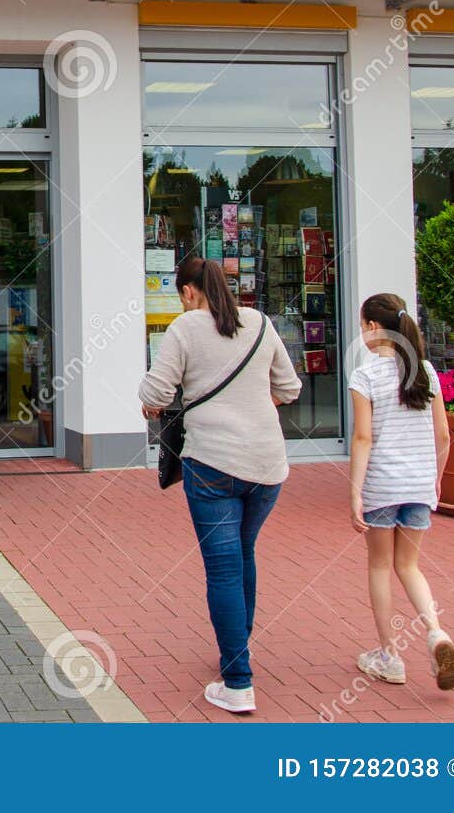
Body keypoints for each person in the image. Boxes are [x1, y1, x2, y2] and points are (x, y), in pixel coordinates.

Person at [139, 255, 300, 715]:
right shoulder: (261, 323)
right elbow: (289, 389)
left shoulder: (184, 329)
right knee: (243, 555)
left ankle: (238, 680)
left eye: (180, 294)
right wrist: (252, 405)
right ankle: (238, 650)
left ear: (189, 291)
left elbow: (155, 394)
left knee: (224, 569)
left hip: (212, 465)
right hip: (267, 465)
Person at [347, 292, 454, 691]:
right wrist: (436, 478)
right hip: (418, 486)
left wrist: (356, 492)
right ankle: (436, 632)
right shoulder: (426, 371)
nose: (361, 334)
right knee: (409, 566)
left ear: (374, 328)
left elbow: (363, 437)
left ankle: (388, 656)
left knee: (380, 567)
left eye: (363, 326)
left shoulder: (364, 376)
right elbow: (444, 434)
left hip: (383, 485)